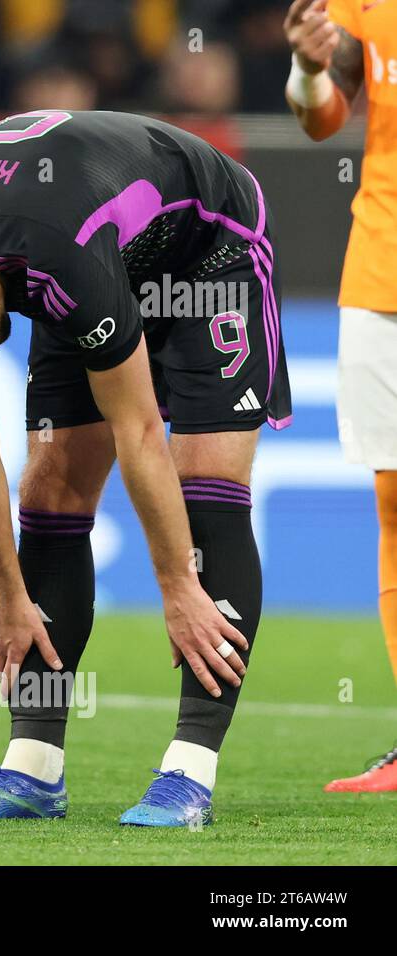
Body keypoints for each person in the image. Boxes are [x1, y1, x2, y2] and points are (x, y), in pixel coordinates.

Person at [0, 109, 287, 827]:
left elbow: (139, 430)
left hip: (209, 251)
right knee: (50, 485)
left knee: (205, 486)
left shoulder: (63, 259)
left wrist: (178, 584)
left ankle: (190, 772)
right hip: (92, 249)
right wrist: (6, 593)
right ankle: (33, 771)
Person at [284, 0, 397, 792]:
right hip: (382, 274)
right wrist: (309, 66)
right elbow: (323, 119)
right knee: (395, 502)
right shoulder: (365, 6)